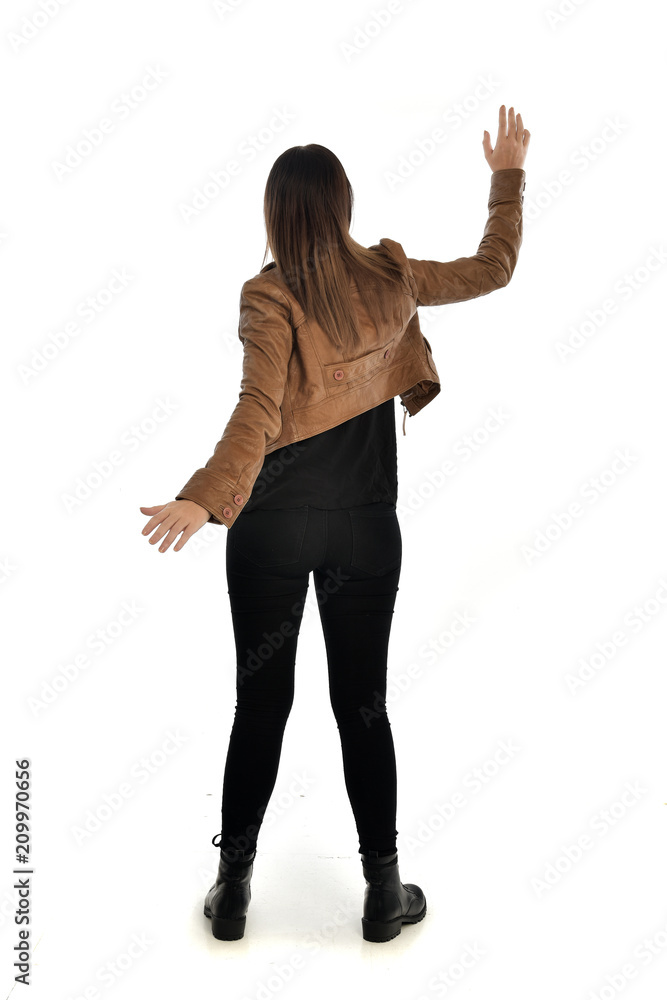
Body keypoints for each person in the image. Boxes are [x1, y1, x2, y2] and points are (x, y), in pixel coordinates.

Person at [140, 105, 530, 943]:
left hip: (271, 535)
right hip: (363, 534)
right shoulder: (392, 276)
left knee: (259, 707)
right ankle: (383, 897)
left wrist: (206, 498)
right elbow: (492, 268)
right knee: (363, 709)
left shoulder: (268, 295)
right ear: (344, 206)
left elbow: (256, 408)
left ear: (276, 215)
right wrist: (505, 177)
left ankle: (234, 891)